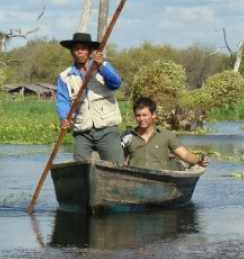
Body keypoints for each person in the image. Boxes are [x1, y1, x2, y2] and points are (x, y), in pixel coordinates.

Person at [56, 32, 125, 165]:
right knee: (80, 168)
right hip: (82, 130)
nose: (79, 52)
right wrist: (65, 118)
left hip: (106, 128)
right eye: (76, 49)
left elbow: (116, 83)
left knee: (117, 166)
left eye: (83, 48)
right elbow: (62, 100)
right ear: (72, 52)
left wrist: (100, 66)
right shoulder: (65, 76)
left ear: (90, 51)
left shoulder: (102, 67)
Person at [122, 96, 208, 171]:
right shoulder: (127, 136)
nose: (141, 119)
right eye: (138, 115)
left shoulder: (166, 135)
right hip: (135, 181)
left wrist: (198, 160)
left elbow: (184, 154)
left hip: (160, 180)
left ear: (153, 115)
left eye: (145, 115)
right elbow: (118, 159)